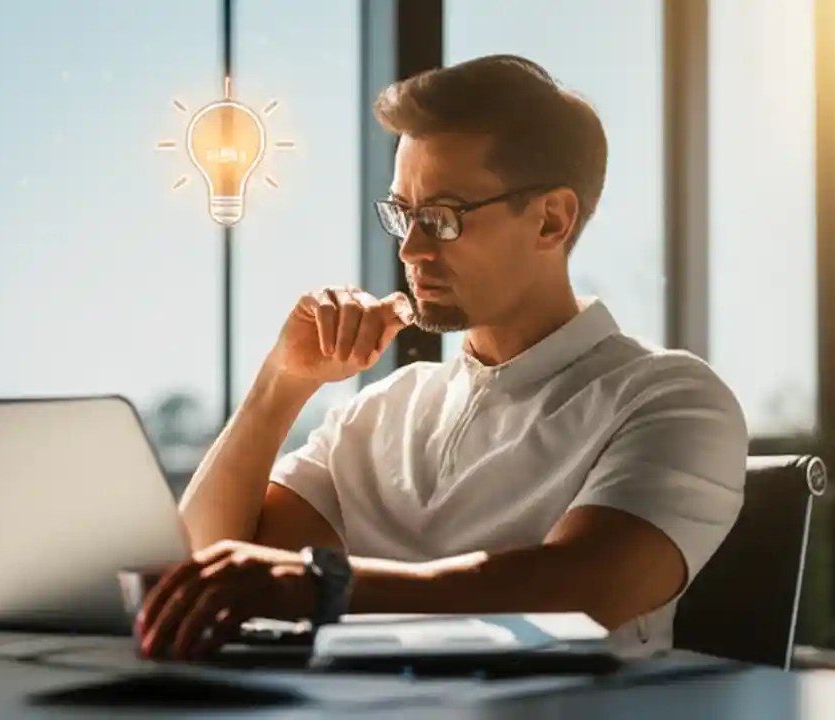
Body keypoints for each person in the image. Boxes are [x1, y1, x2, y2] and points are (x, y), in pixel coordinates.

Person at [137, 54, 747, 661]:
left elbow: (582, 590)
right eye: (403, 213)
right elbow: (200, 572)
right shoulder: (376, 414)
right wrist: (282, 382)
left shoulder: (670, 399)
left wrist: (325, 588)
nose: (411, 248)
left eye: (441, 217)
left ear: (550, 221)